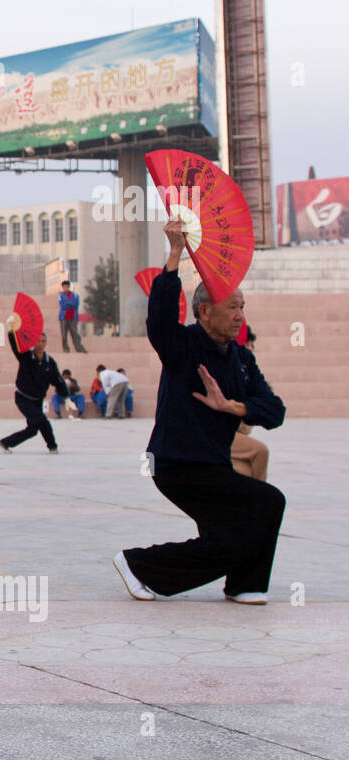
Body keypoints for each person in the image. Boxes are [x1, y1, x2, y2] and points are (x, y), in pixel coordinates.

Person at [114, 221, 286, 606]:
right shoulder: (182, 347)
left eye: (243, 307)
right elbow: (159, 321)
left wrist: (232, 406)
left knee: (229, 539)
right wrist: (174, 254)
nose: (240, 315)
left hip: (214, 465)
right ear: (205, 311)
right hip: (177, 463)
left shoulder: (241, 359)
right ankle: (140, 564)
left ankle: (244, 584)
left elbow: (274, 410)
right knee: (268, 501)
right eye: (232, 308)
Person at [0, 330, 65, 454]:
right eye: (38, 341)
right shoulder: (25, 356)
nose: (40, 344)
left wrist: (66, 396)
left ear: (46, 343)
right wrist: (12, 332)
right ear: (33, 343)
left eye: (43, 341)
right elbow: (15, 346)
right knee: (42, 421)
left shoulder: (50, 362)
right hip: (23, 398)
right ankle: (53, 447)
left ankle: (5, 443)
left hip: (37, 400)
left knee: (32, 430)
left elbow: (58, 380)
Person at [230, 330, 270, 481]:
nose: (251, 349)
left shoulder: (247, 373)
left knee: (244, 471)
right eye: (248, 344)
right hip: (215, 435)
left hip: (236, 436)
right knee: (260, 451)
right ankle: (261, 499)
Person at [58, 280, 86, 353]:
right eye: (64, 287)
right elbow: (63, 305)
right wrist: (71, 303)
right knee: (64, 334)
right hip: (64, 318)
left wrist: (67, 302)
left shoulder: (75, 295)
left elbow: (76, 304)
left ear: (69, 287)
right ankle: (66, 349)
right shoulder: (61, 296)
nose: (65, 288)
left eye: (67, 287)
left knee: (75, 334)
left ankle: (79, 348)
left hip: (73, 317)